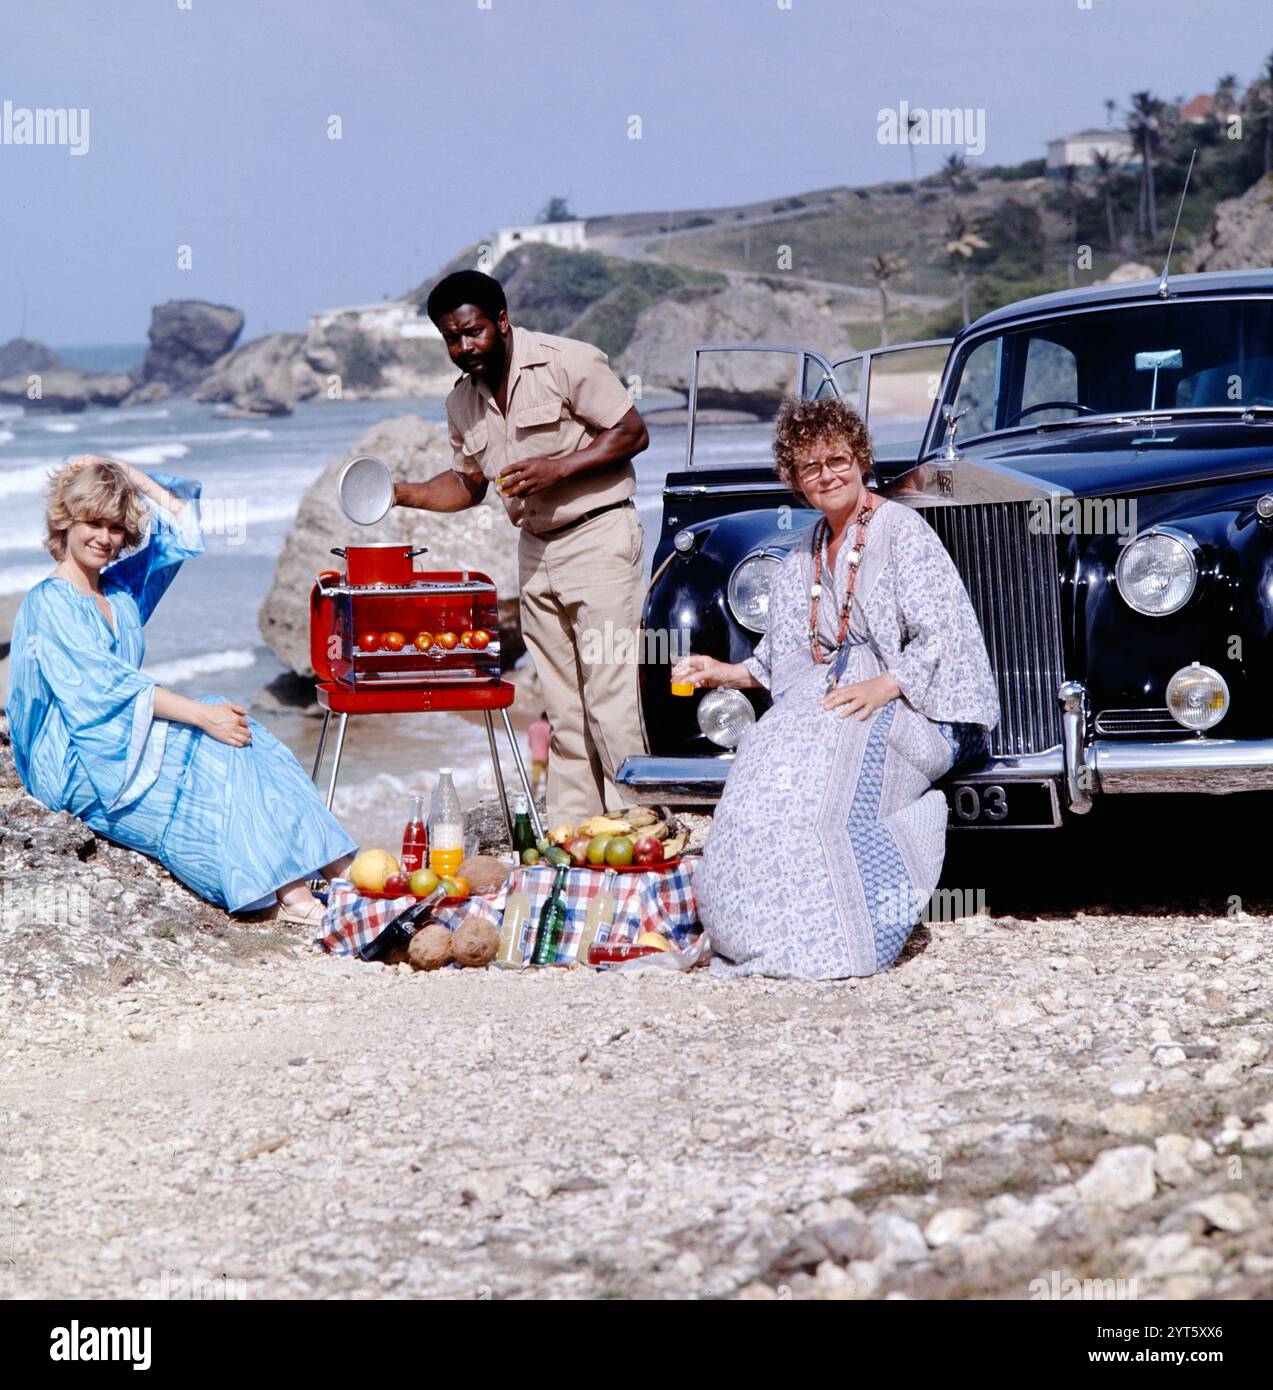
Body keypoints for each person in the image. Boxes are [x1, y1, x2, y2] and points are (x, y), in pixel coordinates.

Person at [671, 397, 999, 979]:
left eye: (838, 460)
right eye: (810, 467)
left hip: (923, 708)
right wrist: (721, 672)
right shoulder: (805, 550)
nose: (827, 475)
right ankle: (748, 927)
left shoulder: (904, 533)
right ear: (795, 480)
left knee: (828, 770)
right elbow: (784, 657)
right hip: (833, 701)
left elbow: (942, 635)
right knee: (765, 755)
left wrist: (885, 686)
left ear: (862, 459)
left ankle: (838, 931)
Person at [7, 455, 358, 926]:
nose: (104, 538)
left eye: (114, 526)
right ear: (65, 522)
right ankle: (290, 889)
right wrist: (197, 715)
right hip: (76, 761)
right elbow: (104, 689)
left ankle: (341, 867)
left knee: (235, 723)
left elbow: (182, 524)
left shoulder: (120, 593)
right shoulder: (49, 603)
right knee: (211, 727)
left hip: (117, 740)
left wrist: (124, 473)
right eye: (92, 522)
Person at [392, 270, 650, 827]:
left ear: (502, 321)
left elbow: (631, 433)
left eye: (474, 332)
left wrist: (559, 467)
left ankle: (641, 828)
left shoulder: (568, 361)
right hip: (534, 550)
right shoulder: (462, 403)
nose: (464, 347)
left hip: (600, 536)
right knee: (561, 708)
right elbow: (467, 484)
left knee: (611, 697)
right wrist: (395, 493)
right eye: (452, 339)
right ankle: (578, 837)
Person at [527, 710, 551, 798]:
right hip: (547, 757)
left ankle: (531, 798)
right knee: (549, 781)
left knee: (535, 780)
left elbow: (530, 743)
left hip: (536, 756)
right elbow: (550, 742)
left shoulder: (532, 727)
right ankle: (549, 798)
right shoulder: (548, 727)